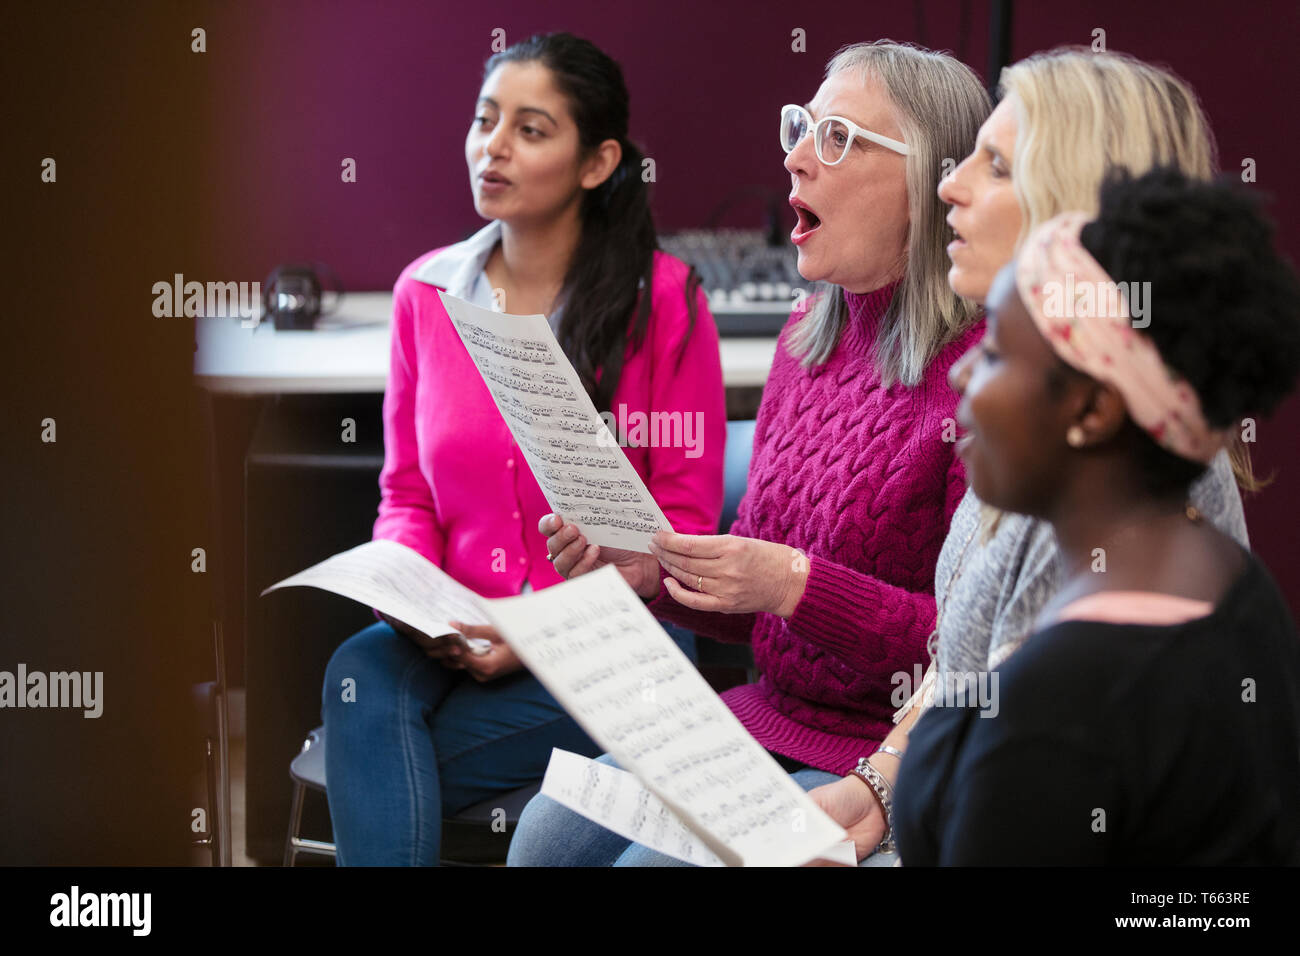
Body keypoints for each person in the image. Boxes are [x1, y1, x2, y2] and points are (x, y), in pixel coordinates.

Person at [509, 39, 992, 866]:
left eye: (837, 138)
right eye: (802, 128)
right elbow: (760, 605)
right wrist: (658, 579)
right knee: (543, 838)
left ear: (931, 184)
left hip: (883, 752)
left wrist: (793, 584)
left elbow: (974, 645)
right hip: (760, 716)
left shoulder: (986, 381)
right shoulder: (802, 343)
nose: (797, 158)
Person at [807, 47, 1252, 864]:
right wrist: (875, 789)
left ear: (1080, 207)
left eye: (997, 164)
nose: (949, 184)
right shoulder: (1044, 409)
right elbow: (965, 669)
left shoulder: (1116, 479)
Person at [320, 32, 726, 866]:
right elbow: (407, 495)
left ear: (597, 161)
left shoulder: (667, 302)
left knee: (388, 767)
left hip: (619, 640)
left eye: (531, 129)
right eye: (484, 119)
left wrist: (530, 633)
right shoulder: (425, 294)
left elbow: (680, 532)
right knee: (356, 675)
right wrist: (408, 597)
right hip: (452, 630)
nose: (492, 146)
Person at [893, 168, 1300, 864]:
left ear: (1092, 410)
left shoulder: (1055, 716)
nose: (962, 376)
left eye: (993, 355)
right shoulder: (1235, 585)